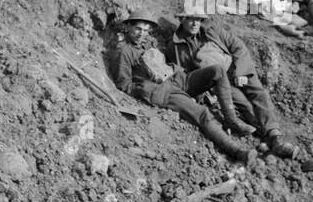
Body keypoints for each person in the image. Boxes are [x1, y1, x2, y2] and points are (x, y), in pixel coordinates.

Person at [106, 13, 255, 163]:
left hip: (177, 79)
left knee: (217, 71)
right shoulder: (124, 51)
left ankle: (231, 120)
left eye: (145, 30)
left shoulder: (147, 43)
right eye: (137, 29)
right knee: (202, 113)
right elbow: (124, 85)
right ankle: (237, 152)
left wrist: (176, 70)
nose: (141, 34)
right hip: (163, 91)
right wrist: (145, 89)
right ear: (129, 27)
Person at [168, 7, 308, 162]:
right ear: (182, 19)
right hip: (220, 82)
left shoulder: (213, 32)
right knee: (244, 104)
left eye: (199, 19)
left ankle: (276, 137)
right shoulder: (175, 47)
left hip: (237, 69)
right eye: (191, 19)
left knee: (259, 95)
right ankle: (268, 139)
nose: (195, 23)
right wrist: (205, 93)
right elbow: (186, 75)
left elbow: (238, 47)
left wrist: (240, 72)